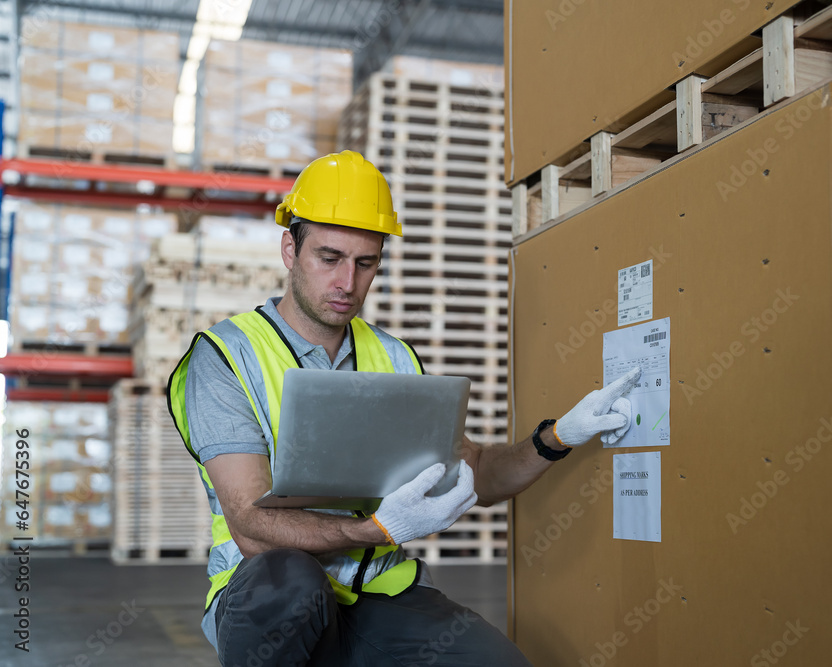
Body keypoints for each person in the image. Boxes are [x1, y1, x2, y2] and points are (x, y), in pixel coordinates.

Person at [167, 150, 641, 666]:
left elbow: (473, 474)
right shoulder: (226, 357)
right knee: (292, 583)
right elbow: (250, 526)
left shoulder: (392, 356)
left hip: (375, 591)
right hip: (268, 599)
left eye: (365, 263)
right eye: (329, 258)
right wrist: (378, 530)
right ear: (290, 248)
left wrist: (558, 437)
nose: (347, 282)